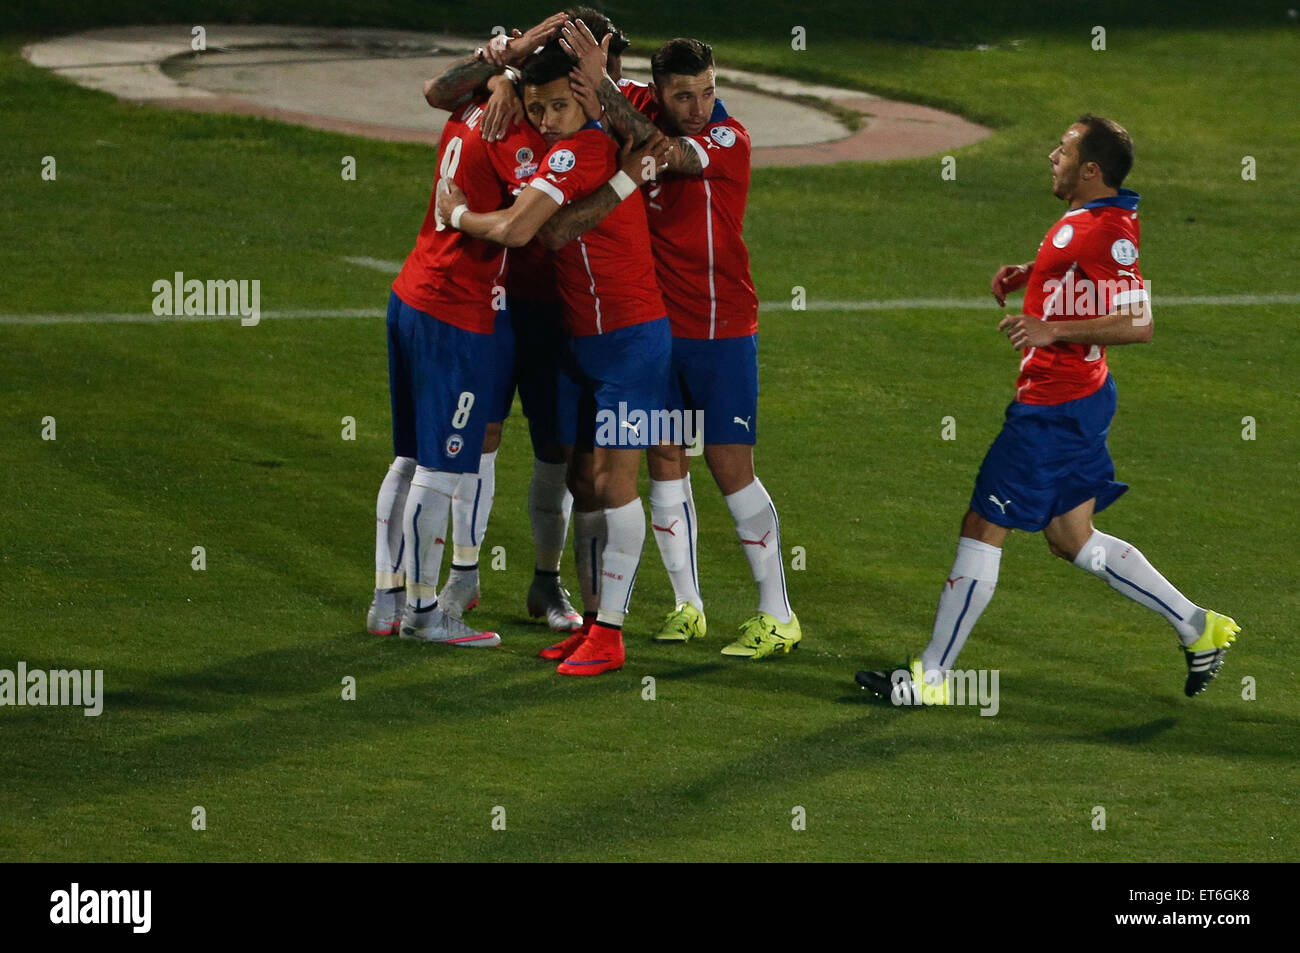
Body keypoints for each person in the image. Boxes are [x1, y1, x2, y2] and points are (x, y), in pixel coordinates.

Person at [855, 115, 1240, 703]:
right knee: (1070, 537)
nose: (1050, 158)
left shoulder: (1110, 230)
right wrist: (1034, 274)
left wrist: (1049, 326)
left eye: (1061, 151)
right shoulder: (1088, 219)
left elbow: (1139, 324)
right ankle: (1196, 626)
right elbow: (1087, 278)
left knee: (984, 524)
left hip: (1054, 408)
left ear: (1091, 169)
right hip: (1079, 399)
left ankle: (931, 676)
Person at [557, 24, 800, 660]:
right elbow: (582, 93)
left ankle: (778, 614)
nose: (699, 107)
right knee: (665, 460)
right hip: (661, 329)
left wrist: (605, 85)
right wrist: (509, 73)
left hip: (721, 331)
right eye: (685, 96)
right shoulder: (636, 101)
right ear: (659, 91)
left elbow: (670, 155)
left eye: (707, 92)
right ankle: (687, 604)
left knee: (731, 470)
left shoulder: (727, 137)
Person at [437, 42, 670, 676]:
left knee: (616, 487)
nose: (545, 121)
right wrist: (508, 77)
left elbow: (537, 230)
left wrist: (456, 212)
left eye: (559, 107)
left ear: (588, 96)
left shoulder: (587, 147)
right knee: (585, 482)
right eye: (538, 110)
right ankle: (594, 622)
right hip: (584, 339)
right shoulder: (568, 140)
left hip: (631, 341)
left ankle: (612, 633)